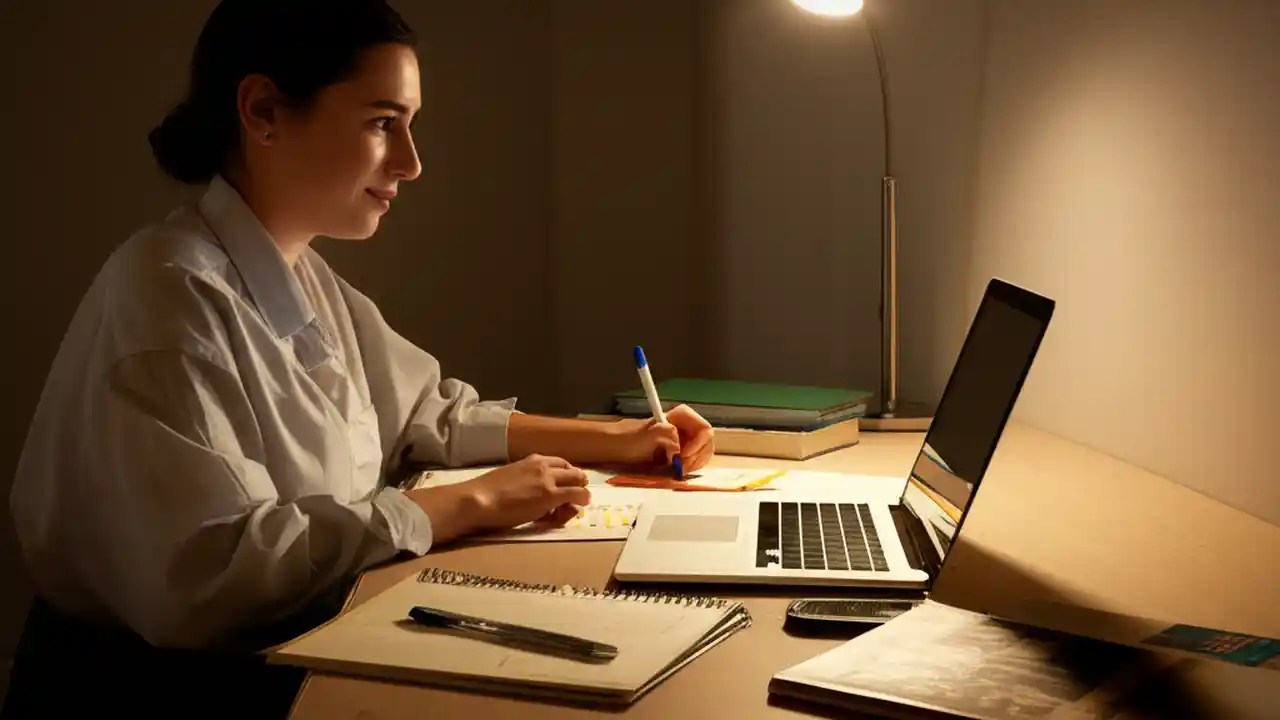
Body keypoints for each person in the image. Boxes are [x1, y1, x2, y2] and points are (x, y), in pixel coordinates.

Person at [3, 1, 714, 716]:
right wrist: (462, 504)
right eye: (382, 123)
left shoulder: (296, 273)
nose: (411, 162)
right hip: (160, 692)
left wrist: (620, 440)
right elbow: (214, 576)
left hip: (283, 648)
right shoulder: (169, 297)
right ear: (263, 111)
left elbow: (427, 415)